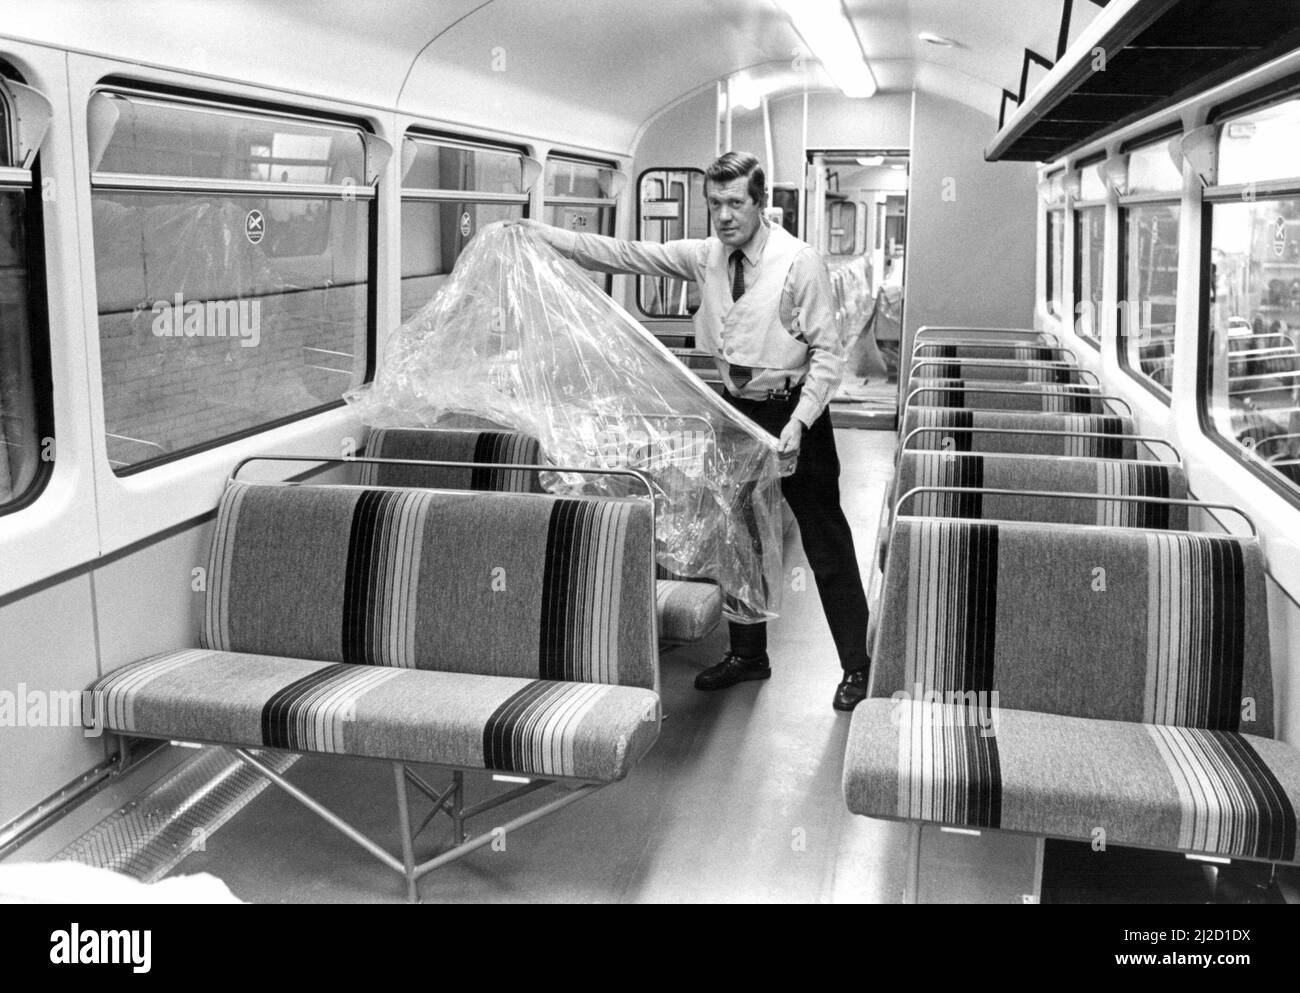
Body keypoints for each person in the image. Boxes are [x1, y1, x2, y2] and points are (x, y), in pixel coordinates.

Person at [519, 151, 871, 712]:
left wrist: (801, 423)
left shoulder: (799, 262)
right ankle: (749, 654)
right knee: (737, 536)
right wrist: (542, 234)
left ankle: (858, 667)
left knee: (825, 541)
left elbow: (828, 355)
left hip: (794, 413)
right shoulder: (707, 256)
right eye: (715, 204)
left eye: (735, 203)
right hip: (734, 413)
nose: (724, 215)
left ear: (761, 204)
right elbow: (627, 254)